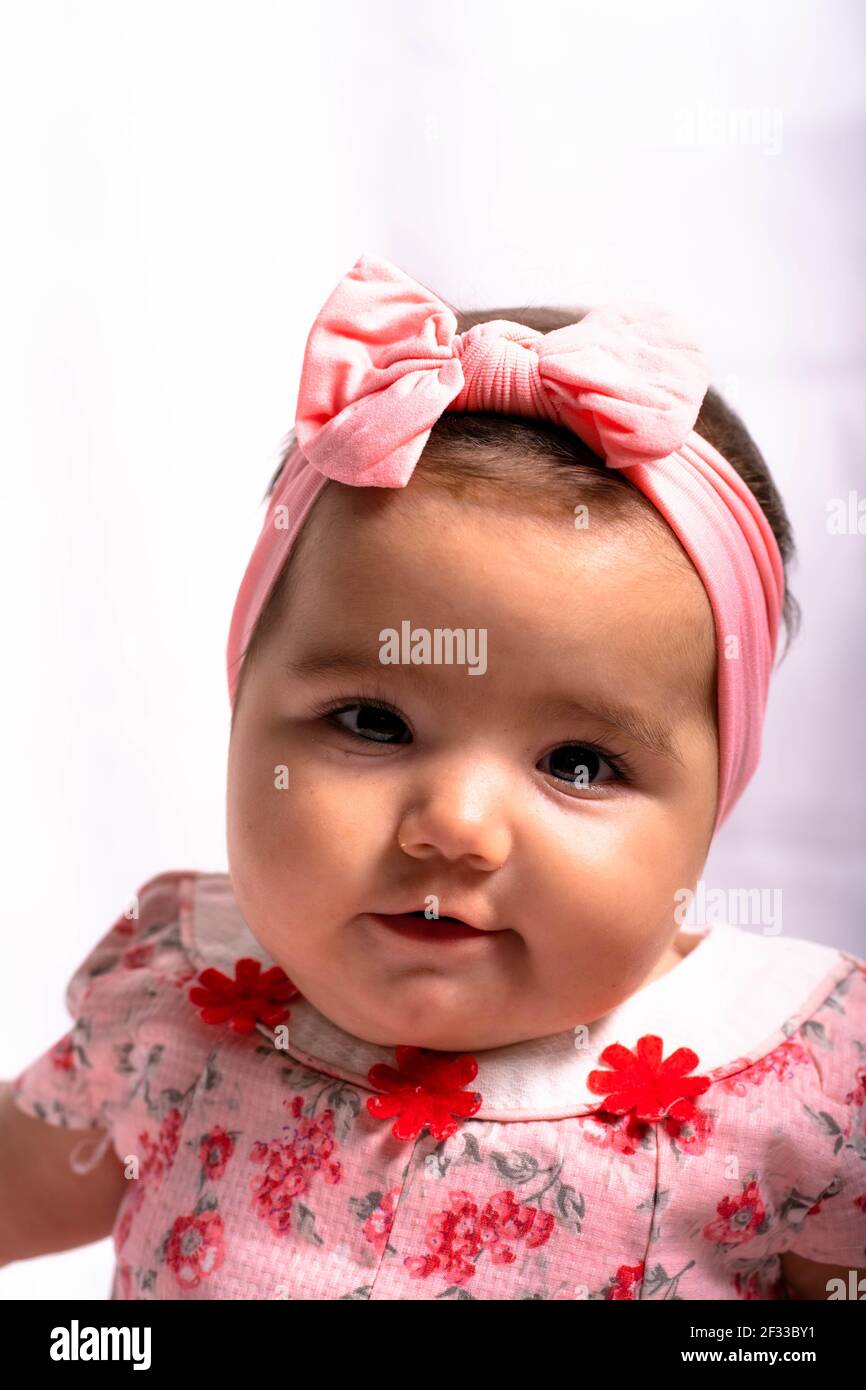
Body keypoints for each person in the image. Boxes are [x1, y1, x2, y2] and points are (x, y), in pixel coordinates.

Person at [2, 253, 864, 1301]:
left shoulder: (794, 1094)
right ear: (242, 706)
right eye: (372, 721)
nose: (455, 827)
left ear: (710, 803)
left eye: (577, 763)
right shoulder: (176, 1007)